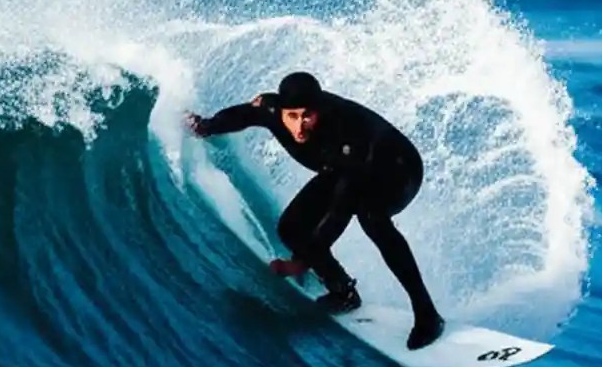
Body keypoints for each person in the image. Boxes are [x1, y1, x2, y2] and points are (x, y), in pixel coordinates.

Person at [186, 71, 445, 350]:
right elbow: (245, 114)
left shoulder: (342, 131)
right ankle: (343, 292)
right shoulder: (272, 109)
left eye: (308, 116)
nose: (300, 126)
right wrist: (206, 126)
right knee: (290, 228)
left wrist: (302, 262)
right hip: (344, 168)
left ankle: (428, 315)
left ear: (320, 111)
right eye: (293, 116)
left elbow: (340, 209)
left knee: (371, 217)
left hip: (398, 168)